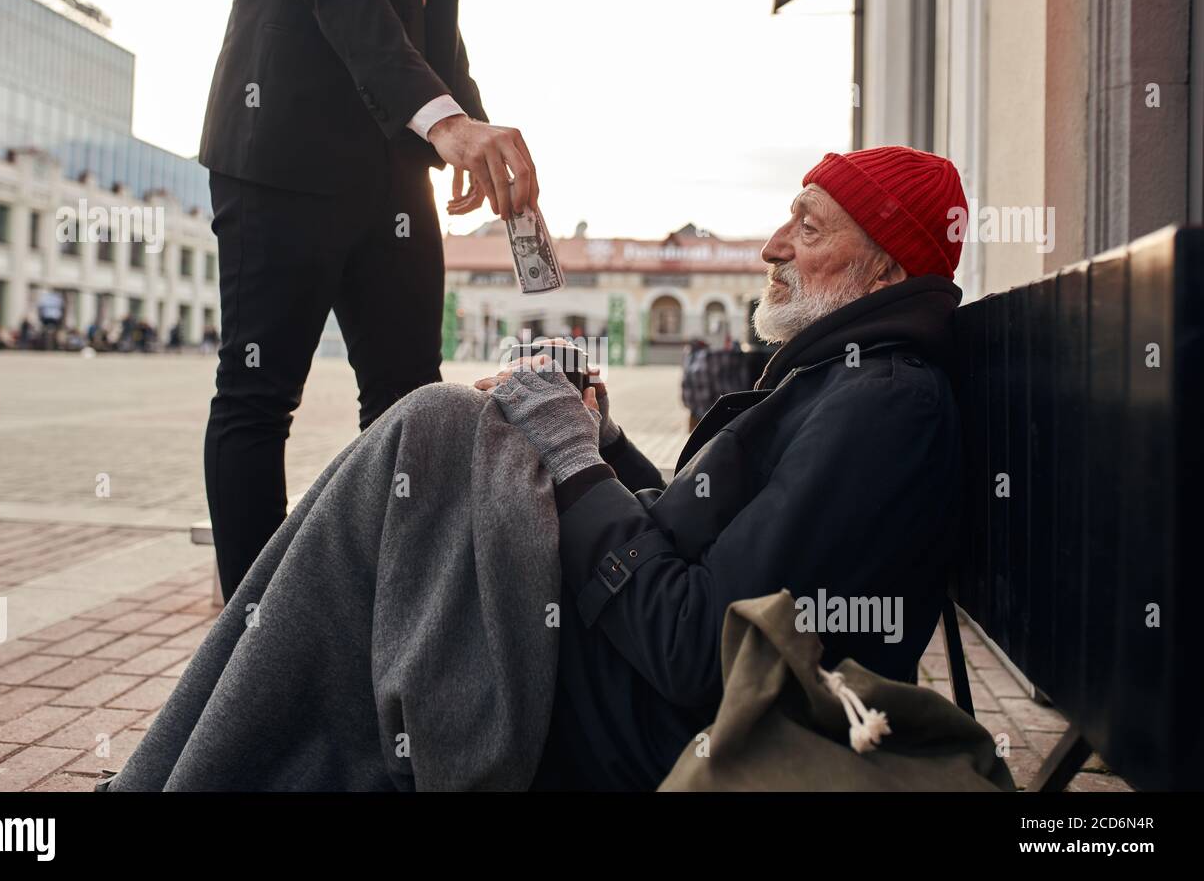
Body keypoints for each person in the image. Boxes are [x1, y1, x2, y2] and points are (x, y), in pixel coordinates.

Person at [105, 146, 973, 792]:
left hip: (653, 734)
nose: (772, 245)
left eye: (808, 226)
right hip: (621, 681)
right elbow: (692, 544)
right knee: (430, 462)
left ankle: (175, 777)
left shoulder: (882, 406)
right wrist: (600, 441)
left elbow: (697, 655)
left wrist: (567, 459)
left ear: (885, 266)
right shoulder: (846, 382)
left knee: (438, 434)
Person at [200, 0, 541, 600]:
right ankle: (255, 640)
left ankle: (402, 619)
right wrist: (445, 124)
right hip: (282, 151)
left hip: (397, 167)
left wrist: (471, 126)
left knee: (411, 399)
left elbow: (432, 23)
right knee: (259, 395)